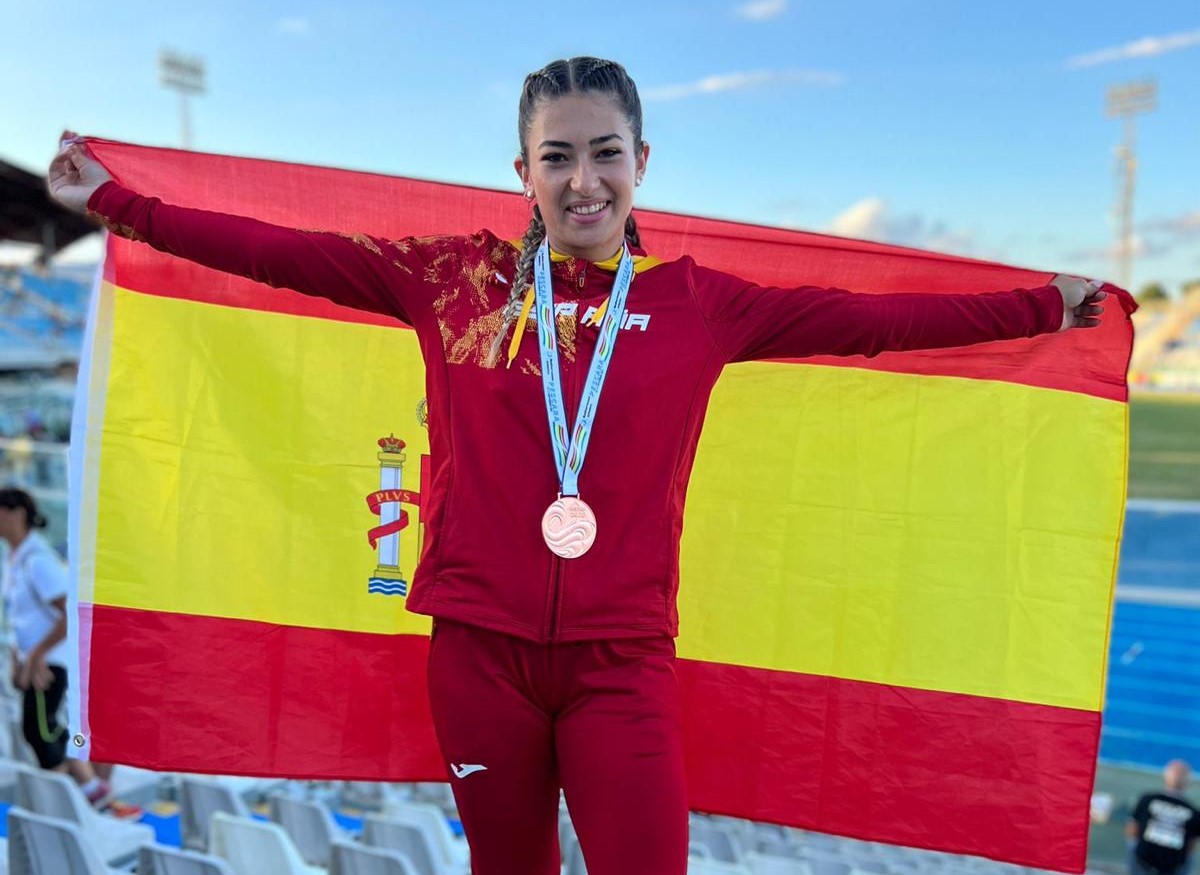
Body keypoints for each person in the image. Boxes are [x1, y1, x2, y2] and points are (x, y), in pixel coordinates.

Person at [48, 56, 1107, 875]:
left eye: (605, 151)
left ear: (642, 161)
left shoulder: (704, 302)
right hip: (480, 655)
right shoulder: (453, 281)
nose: (583, 179)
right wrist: (119, 203)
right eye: (557, 156)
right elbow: (275, 249)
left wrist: (1038, 306)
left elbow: (877, 322)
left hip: (621, 664)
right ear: (524, 172)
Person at [0, 487, 111, 805]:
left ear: (17, 514)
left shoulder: (38, 561)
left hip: (50, 665)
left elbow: (69, 615)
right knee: (46, 730)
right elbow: (20, 619)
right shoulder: (15, 559)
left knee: (41, 733)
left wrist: (35, 656)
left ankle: (87, 787)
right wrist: (17, 658)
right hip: (35, 662)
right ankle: (86, 784)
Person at [1128, 760, 1200, 875]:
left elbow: (1132, 830)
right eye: (1176, 773)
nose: (1177, 777)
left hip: (1154, 863)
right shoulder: (1193, 812)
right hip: (1158, 864)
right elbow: (1191, 846)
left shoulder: (1148, 799)